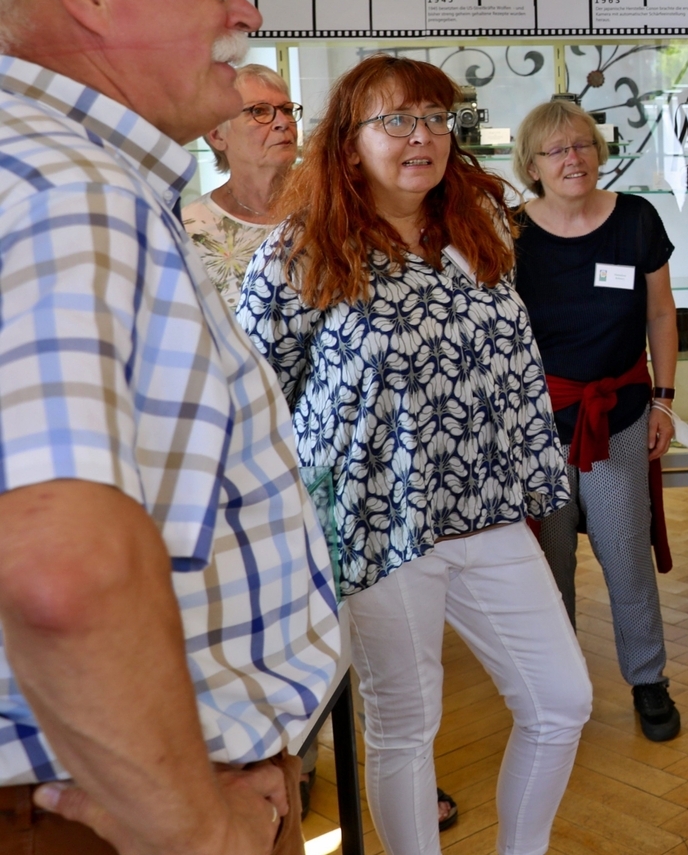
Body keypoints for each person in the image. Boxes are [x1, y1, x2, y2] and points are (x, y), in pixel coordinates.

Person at [0, 0, 339, 854]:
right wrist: (199, 830)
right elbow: (58, 566)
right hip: (111, 811)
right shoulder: (73, 193)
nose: (246, 15)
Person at [236, 55, 589, 855]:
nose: (421, 136)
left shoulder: (479, 224)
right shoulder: (302, 251)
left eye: (434, 118)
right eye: (396, 120)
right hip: (378, 527)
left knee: (561, 699)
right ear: (348, 142)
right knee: (406, 725)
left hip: (489, 513)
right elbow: (255, 395)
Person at [511, 100, 684, 743]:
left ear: (598, 150)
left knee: (626, 558)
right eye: (555, 151)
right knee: (547, 566)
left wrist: (664, 399)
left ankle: (648, 681)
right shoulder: (510, 233)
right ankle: (560, 692)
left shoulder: (636, 219)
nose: (572, 159)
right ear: (532, 165)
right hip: (536, 426)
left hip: (621, 415)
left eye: (581, 145)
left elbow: (661, 315)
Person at [181, 63, 298, 308]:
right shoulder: (190, 232)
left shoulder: (335, 207)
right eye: (259, 111)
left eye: (286, 110)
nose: (283, 122)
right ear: (217, 135)